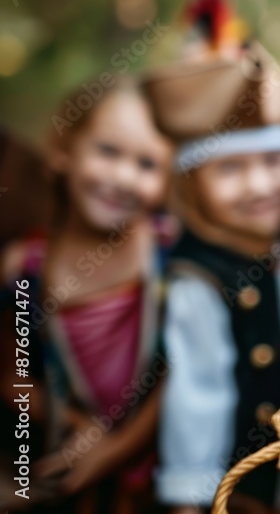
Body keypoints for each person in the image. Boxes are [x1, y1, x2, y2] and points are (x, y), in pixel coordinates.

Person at [148, 45, 280, 513]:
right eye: (230, 168)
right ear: (191, 183)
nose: (260, 186)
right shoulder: (198, 280)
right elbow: (197, 395)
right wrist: (189, 499)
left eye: (273, 161)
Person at [0, 77, 174, 513]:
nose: (123, 177)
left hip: (162, 484)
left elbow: (186, 373)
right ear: (63, 150)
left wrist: (116, 448)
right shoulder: (26, 270)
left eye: (147, 164)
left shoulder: (173, 258)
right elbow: (15, 375)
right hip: (63, 479)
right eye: (108, 152)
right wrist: (79, 427)